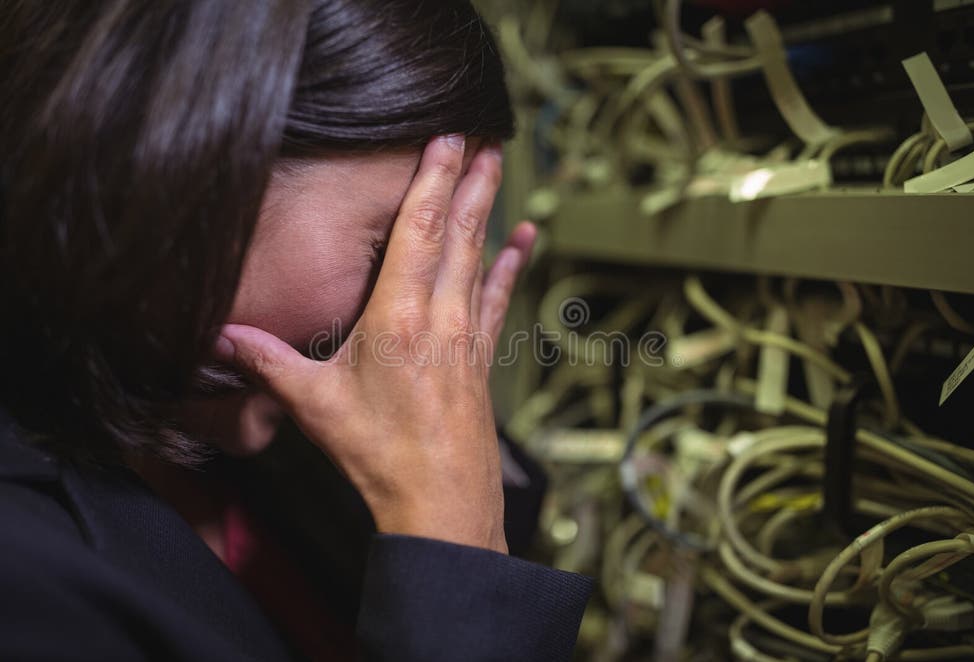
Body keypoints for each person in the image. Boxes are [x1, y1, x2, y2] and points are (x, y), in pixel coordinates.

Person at [0, 1, 593, 660]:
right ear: (180, 174)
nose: (421, 304)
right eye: (394, 241)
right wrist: (458, 558)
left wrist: (449, 469)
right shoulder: (24, 583)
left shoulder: (249, 435)